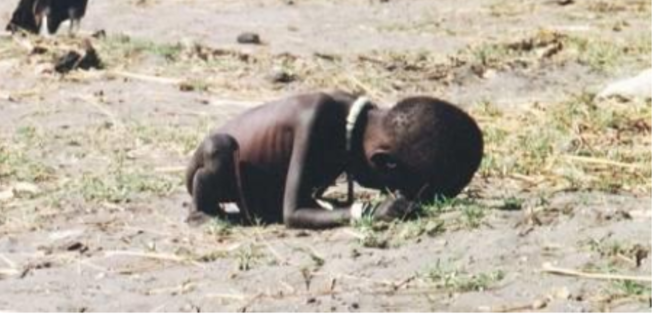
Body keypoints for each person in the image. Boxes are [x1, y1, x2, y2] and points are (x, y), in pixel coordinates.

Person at [185, 92, 483, 229]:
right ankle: (200, 211)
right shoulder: (320, 117)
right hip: (221, 169)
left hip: (264, 188)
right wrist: (363, 213)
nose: (389, 194)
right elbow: (294, 213)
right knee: (217, 151)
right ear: (383, 163)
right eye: (394, 188)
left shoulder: (359, 125)